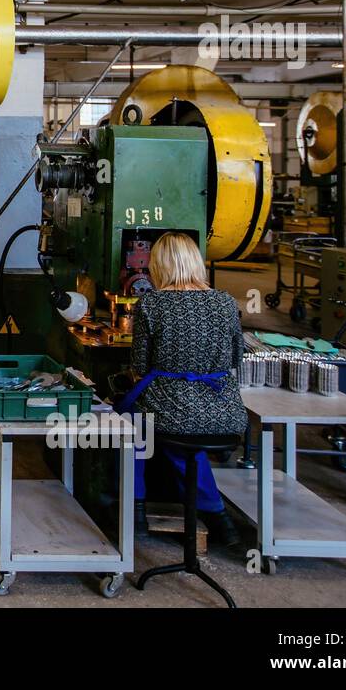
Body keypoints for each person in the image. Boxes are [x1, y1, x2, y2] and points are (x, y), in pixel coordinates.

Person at [120, 232, 247, 547]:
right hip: (225, 414)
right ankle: (219, 518)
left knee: (131, 425)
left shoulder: (152, 303)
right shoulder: (227, 303)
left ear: (159, 265)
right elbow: (236, 357)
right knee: (187, 439)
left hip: (171, 412)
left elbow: (139, 366)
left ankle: (135, 511)